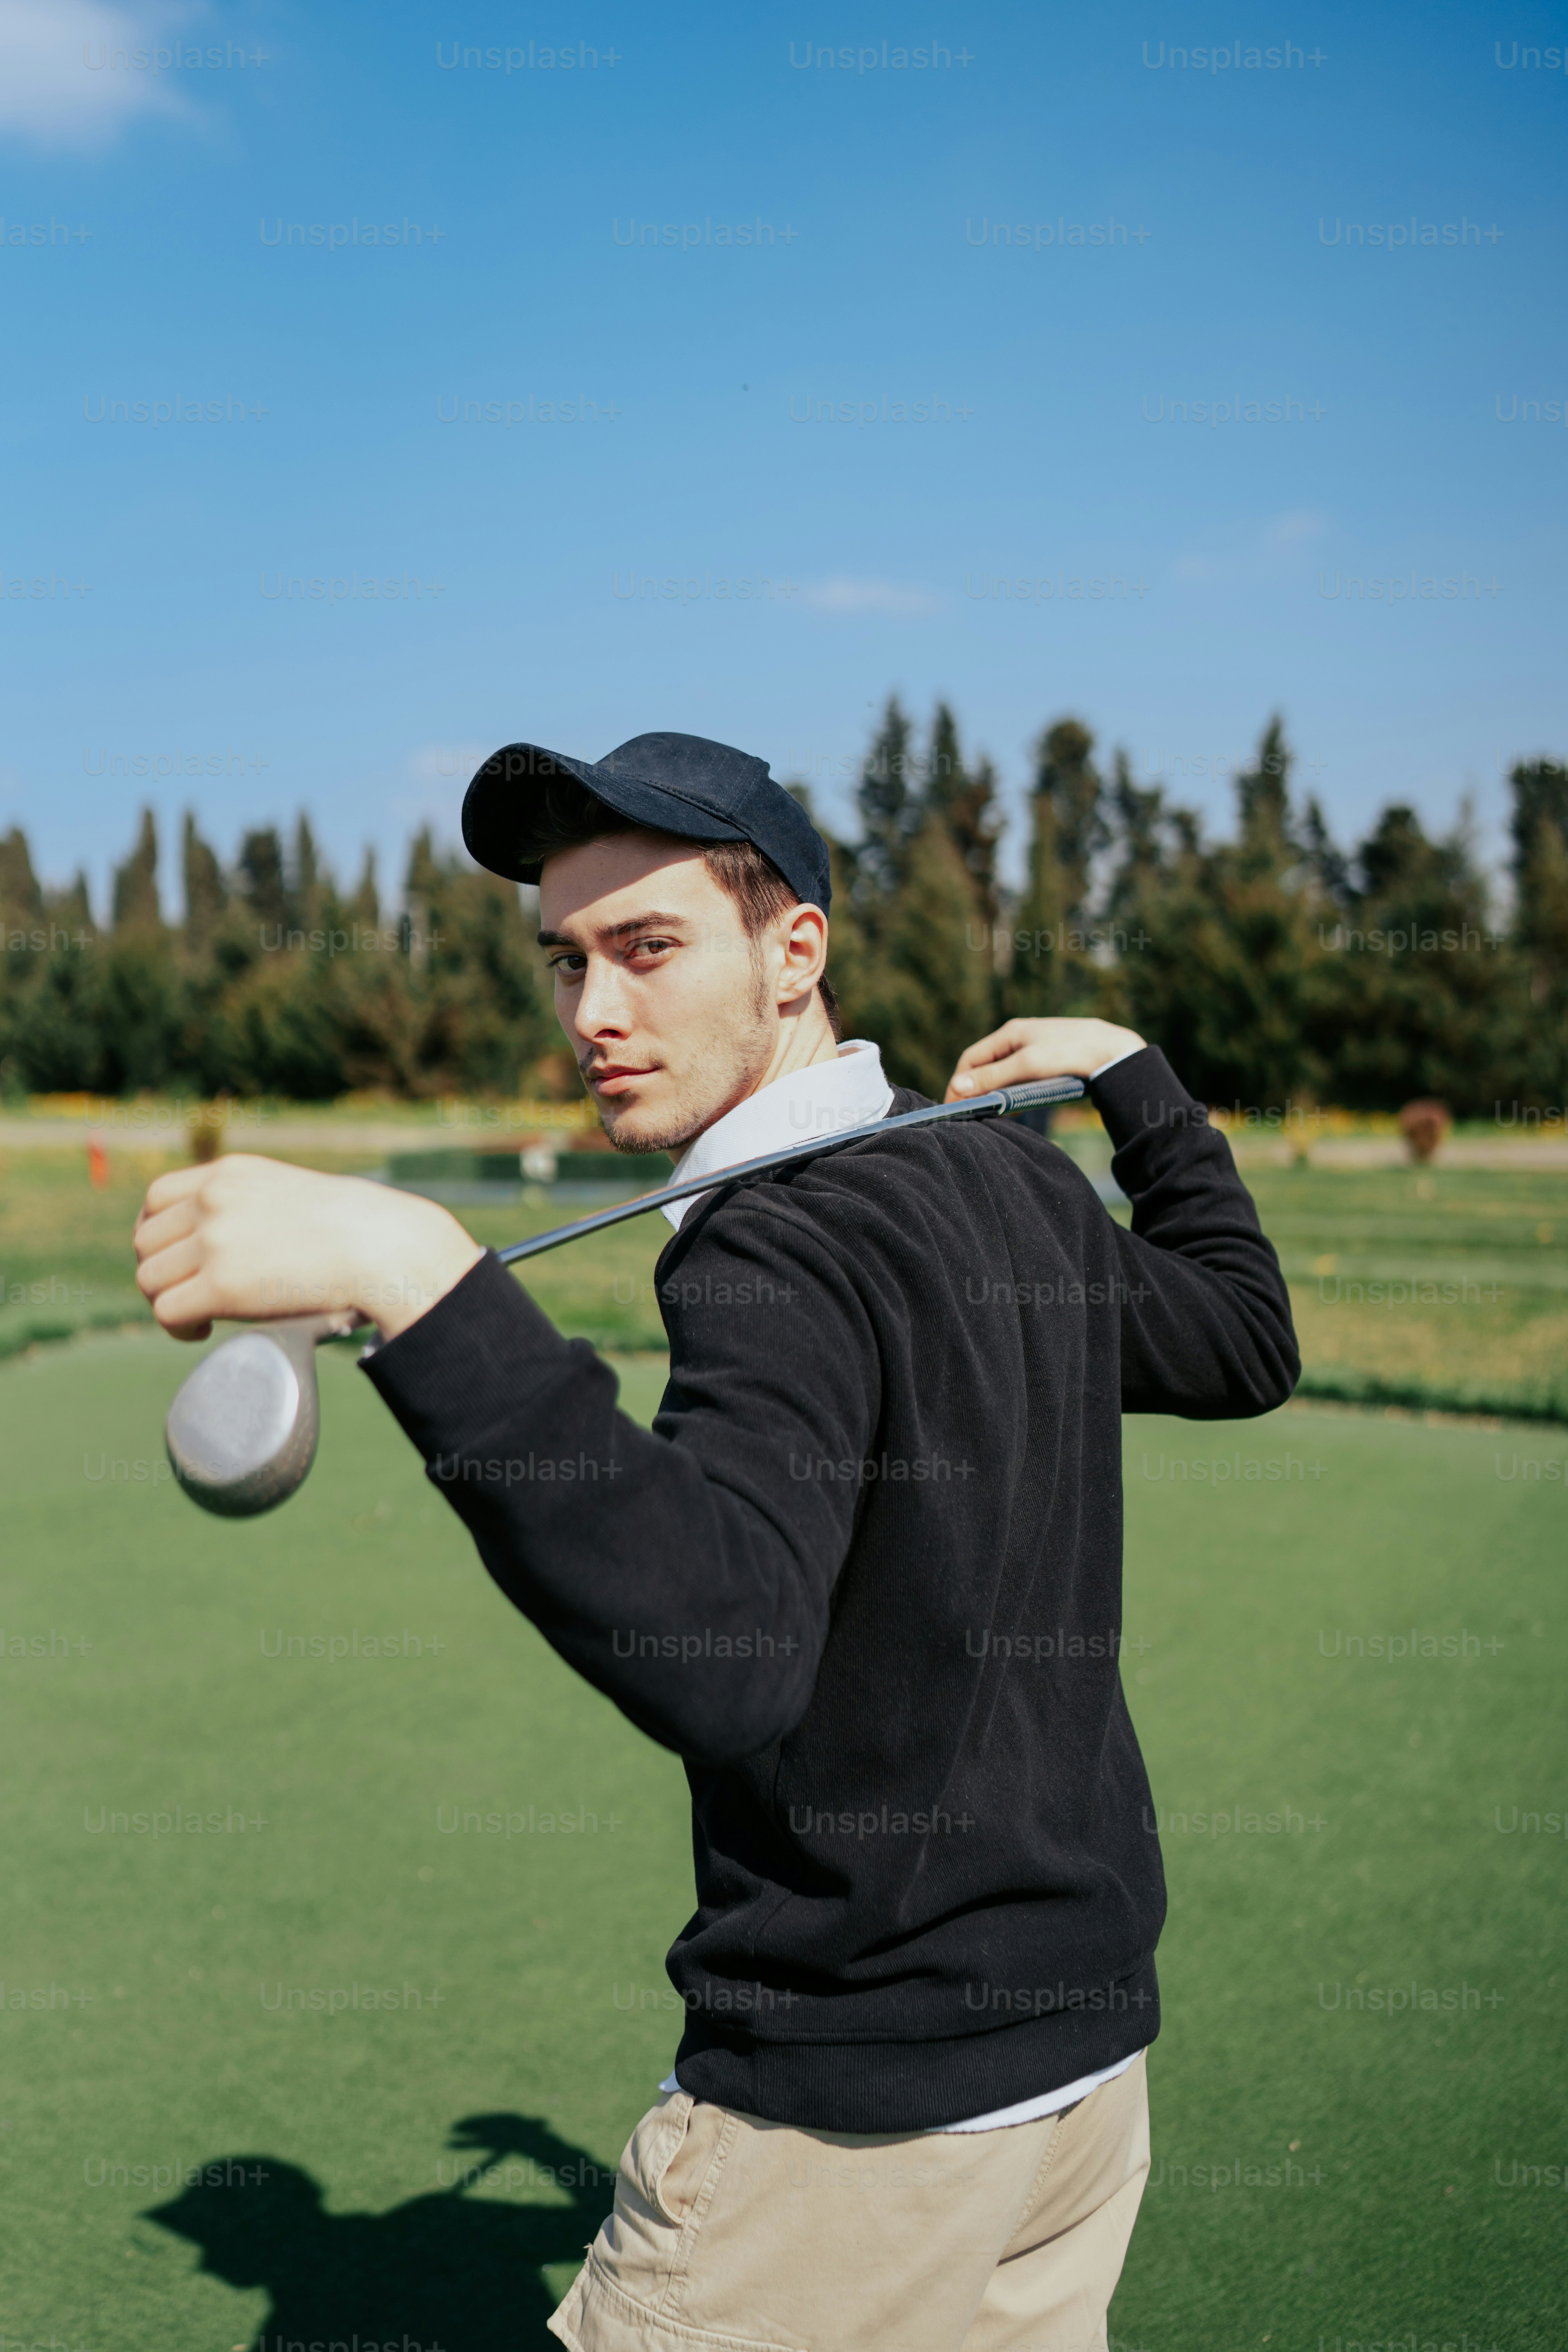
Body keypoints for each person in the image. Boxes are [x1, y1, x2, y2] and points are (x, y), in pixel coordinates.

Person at [134, 731, 1299, 2352]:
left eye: (647, 947)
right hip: (1081, 2074)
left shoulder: (778, 1242)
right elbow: (1247, 1332)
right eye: (567, 960)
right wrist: (1137, 1080)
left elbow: (724, 1651)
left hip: (855, 2124)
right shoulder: (998, 1171)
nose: (592, 1012)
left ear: (793, 951)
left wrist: (418, 1277)